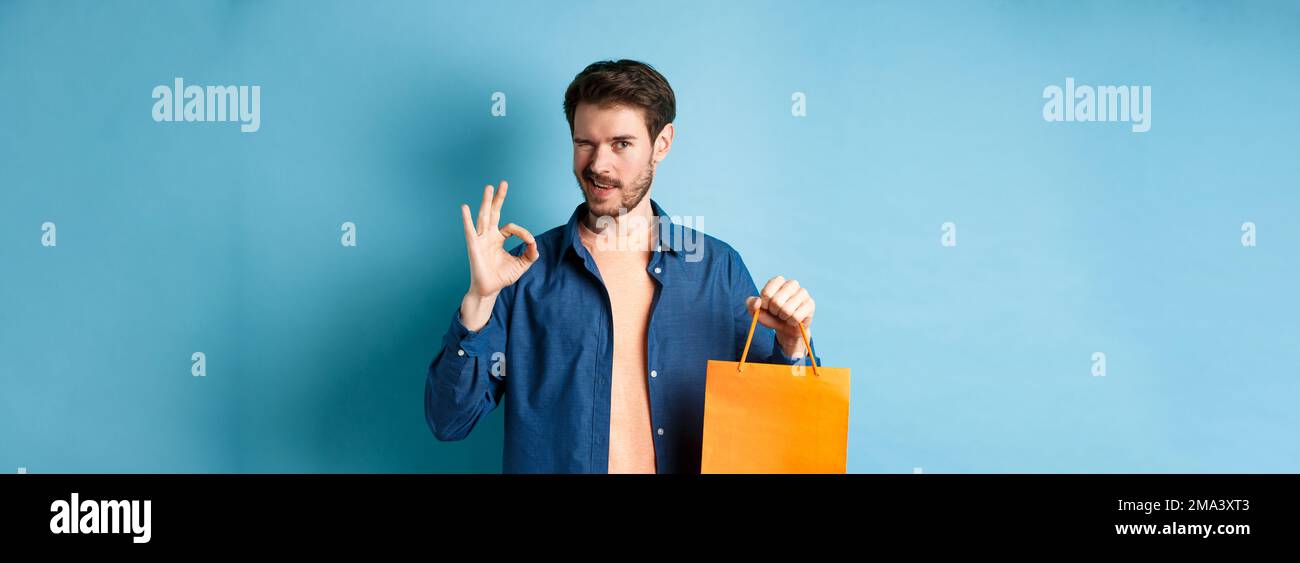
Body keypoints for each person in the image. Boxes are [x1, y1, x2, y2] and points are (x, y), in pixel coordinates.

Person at [425, 59, 819, 473]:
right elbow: (450, 421)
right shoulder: (524, 272)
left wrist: (792, 347)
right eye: (585, 143)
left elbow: (781, 434)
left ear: (662, 143)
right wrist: (479, 301)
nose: (599, 165)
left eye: (621, 144)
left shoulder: (717, 270)